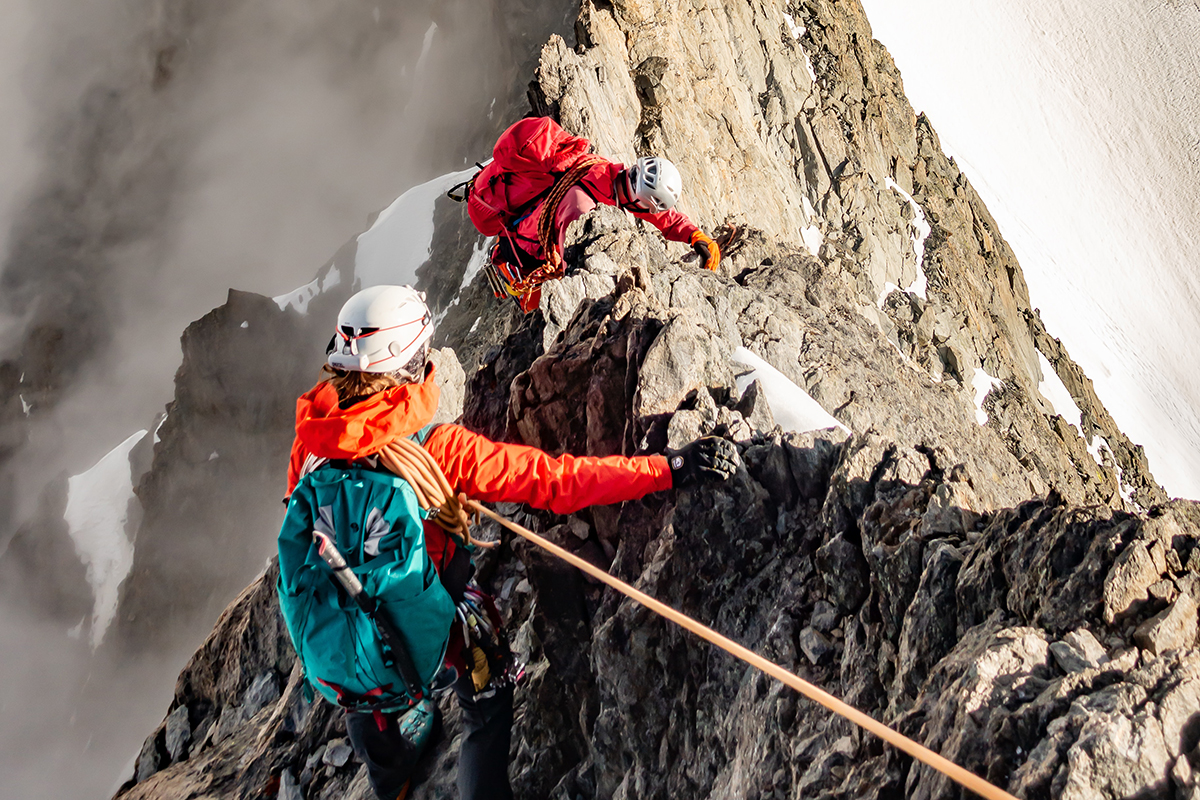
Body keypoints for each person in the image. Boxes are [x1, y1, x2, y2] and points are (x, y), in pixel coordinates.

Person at [282, 285, 738, 800]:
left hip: (344, 617)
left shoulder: (313, 439)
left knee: (367, 686)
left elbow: (302, 516)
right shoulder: (439, 451)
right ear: (412, 367)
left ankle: (393, 779)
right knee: (486, 704)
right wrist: (667, 468)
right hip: (439, 613)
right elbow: (556, 482)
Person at [463, 116, 722, 312]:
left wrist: (693, 234)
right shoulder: (582, 206)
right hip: (521, 262)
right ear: (641, 201)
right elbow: (565, 266)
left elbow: (654, 212)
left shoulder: (606, 172)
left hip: (528, 239)